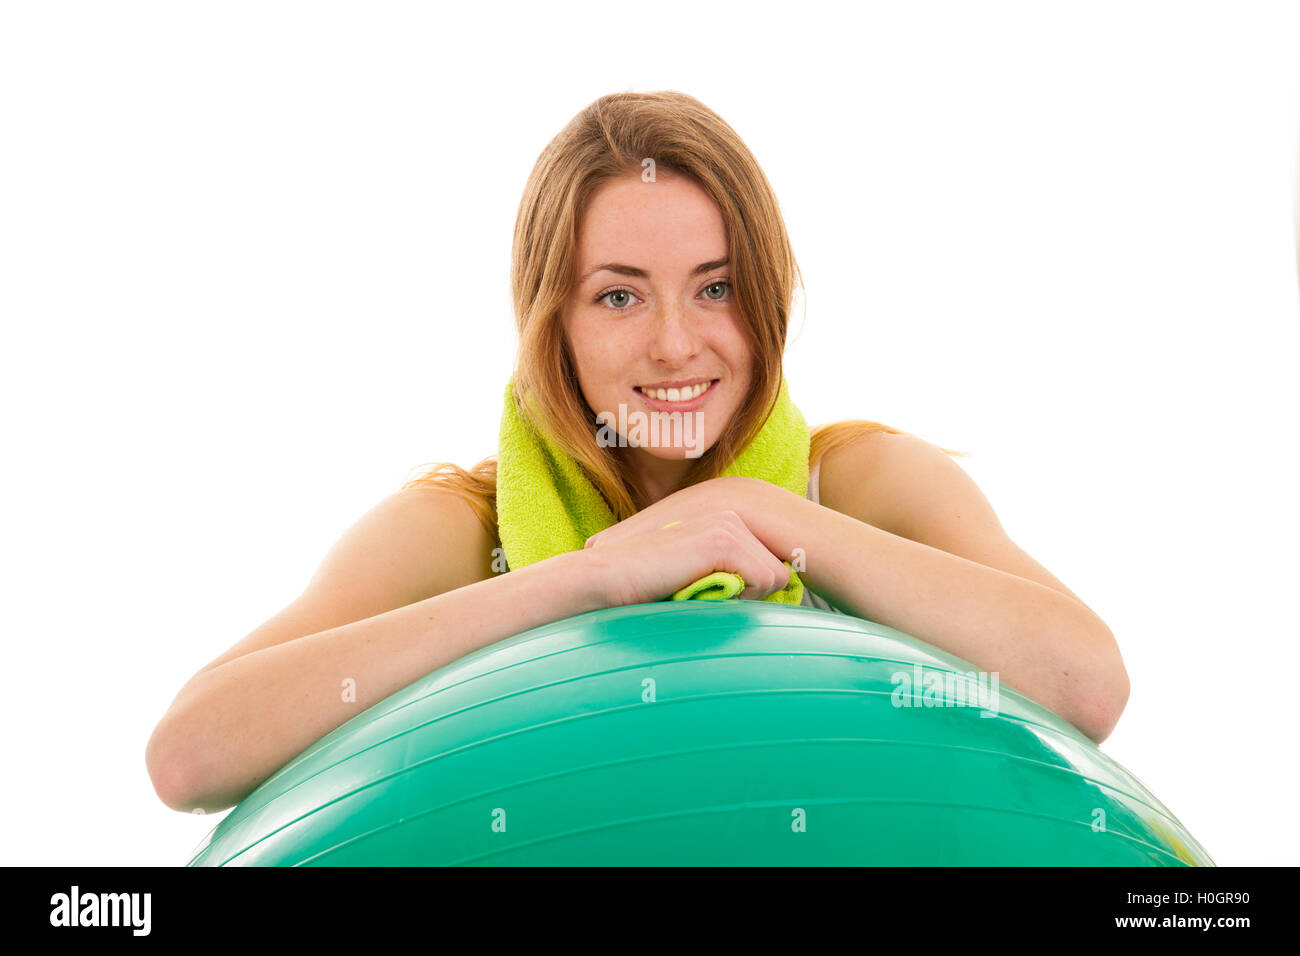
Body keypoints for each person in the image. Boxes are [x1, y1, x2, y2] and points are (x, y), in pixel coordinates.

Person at [146, 90, 1128, 815]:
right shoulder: (457, 529)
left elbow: (1084, 685)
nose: (674, 343)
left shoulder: (865, 483)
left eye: (715, 286)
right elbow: (189, 756)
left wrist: (764, 513)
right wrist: (586, 580)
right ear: (553, 319)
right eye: (618, 294)